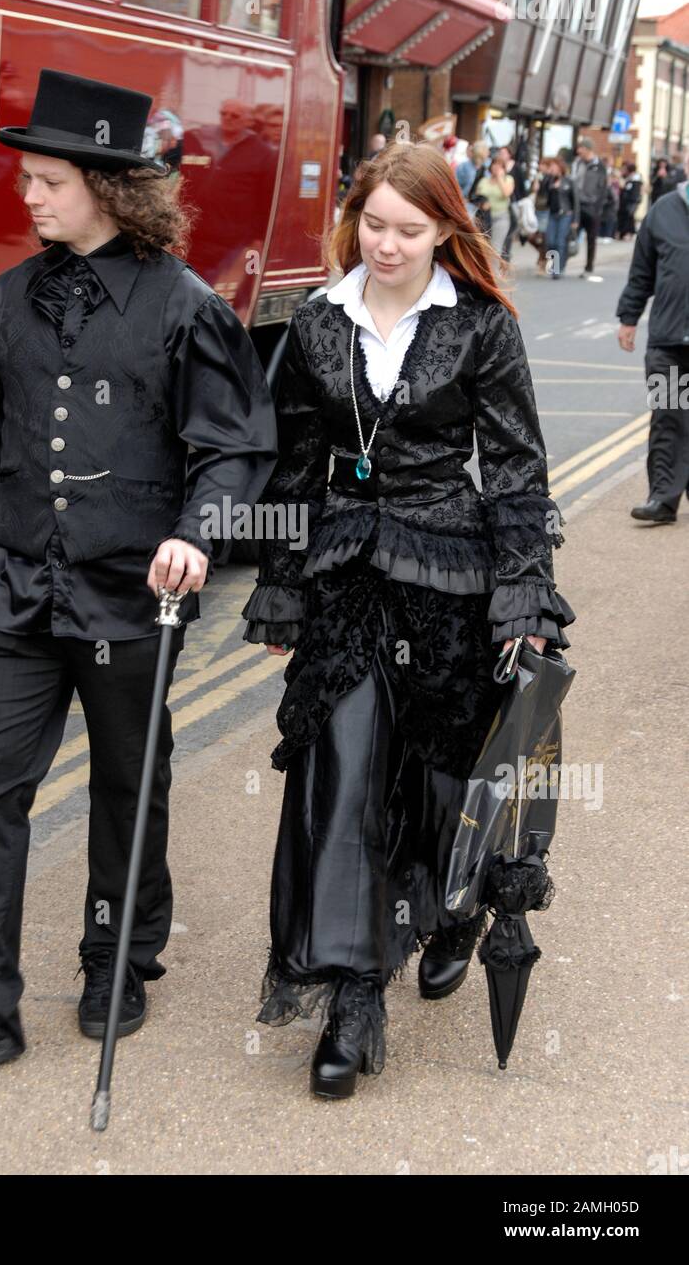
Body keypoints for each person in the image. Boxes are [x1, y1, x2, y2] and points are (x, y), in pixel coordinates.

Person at [0, 70, 278, 1072]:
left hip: (129, 593)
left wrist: (199, 530)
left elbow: (235, 446)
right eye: (30, 176)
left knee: (125, 781)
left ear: (108, 185)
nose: (29, 193)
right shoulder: (1, 308)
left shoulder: (186, 310)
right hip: (17, 587)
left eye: (50, 179)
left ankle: (117, 956)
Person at [241, 139, 575, 1099]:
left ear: (445, 230)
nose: (386, 246)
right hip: (346, 571)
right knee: (343, 774)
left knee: (440, 775)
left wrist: (523, 598)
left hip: (451, 573)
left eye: (409, 229)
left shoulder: (480, 329)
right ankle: (353, 993)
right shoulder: (315, 323)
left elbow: (515, 470)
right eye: (374, 225)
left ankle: (453, 913)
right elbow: (294, 466)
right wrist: (280, 585)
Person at [616, 146, 689, 525]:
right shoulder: (663, 211)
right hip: (668, 341)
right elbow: (642, 270)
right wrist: (629, 317)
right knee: (667, 415)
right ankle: (662, 497)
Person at [573, 137, 608, 278]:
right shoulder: (577, 163)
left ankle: (589, 267)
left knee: (591, 240)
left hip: (592, 208)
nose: (578, 150)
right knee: (566, 236)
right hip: (577, 206)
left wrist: (597, 208)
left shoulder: (600, 166)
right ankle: (557, 266)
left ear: (587, 149)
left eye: (580, 148)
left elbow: (603, 189)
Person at [473, 151, 515, 257]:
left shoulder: (508, 179)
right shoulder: (483, 181)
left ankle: (494, 273)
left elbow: (506, 193)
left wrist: (500, 178)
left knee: (495, 249)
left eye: (500, 165)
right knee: (482, 248)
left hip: (500, 218)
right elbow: (476, 197)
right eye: (495, 164)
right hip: (484, 218)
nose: (496, 167)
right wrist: (482, 204)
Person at [542, 157, 579, 278]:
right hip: (552, 214)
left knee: (560, 242)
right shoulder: (549, 180)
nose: (551, 169)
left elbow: (575, 202)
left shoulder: (569, 181)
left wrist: (575, 220)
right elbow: (543, 195)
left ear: (559, 167)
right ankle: (556, 263)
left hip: (565, 215)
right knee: (551, 242)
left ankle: (557, 268)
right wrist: (547, 179)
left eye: (553, 166)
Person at [617, 162, 642, 239]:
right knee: (624, 216)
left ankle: (629, 233)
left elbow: (634, 192)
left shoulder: (635, 179)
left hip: (631, 201)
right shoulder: (627, 177)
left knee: (629, 216)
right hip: (625, 201)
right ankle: (622, 233)